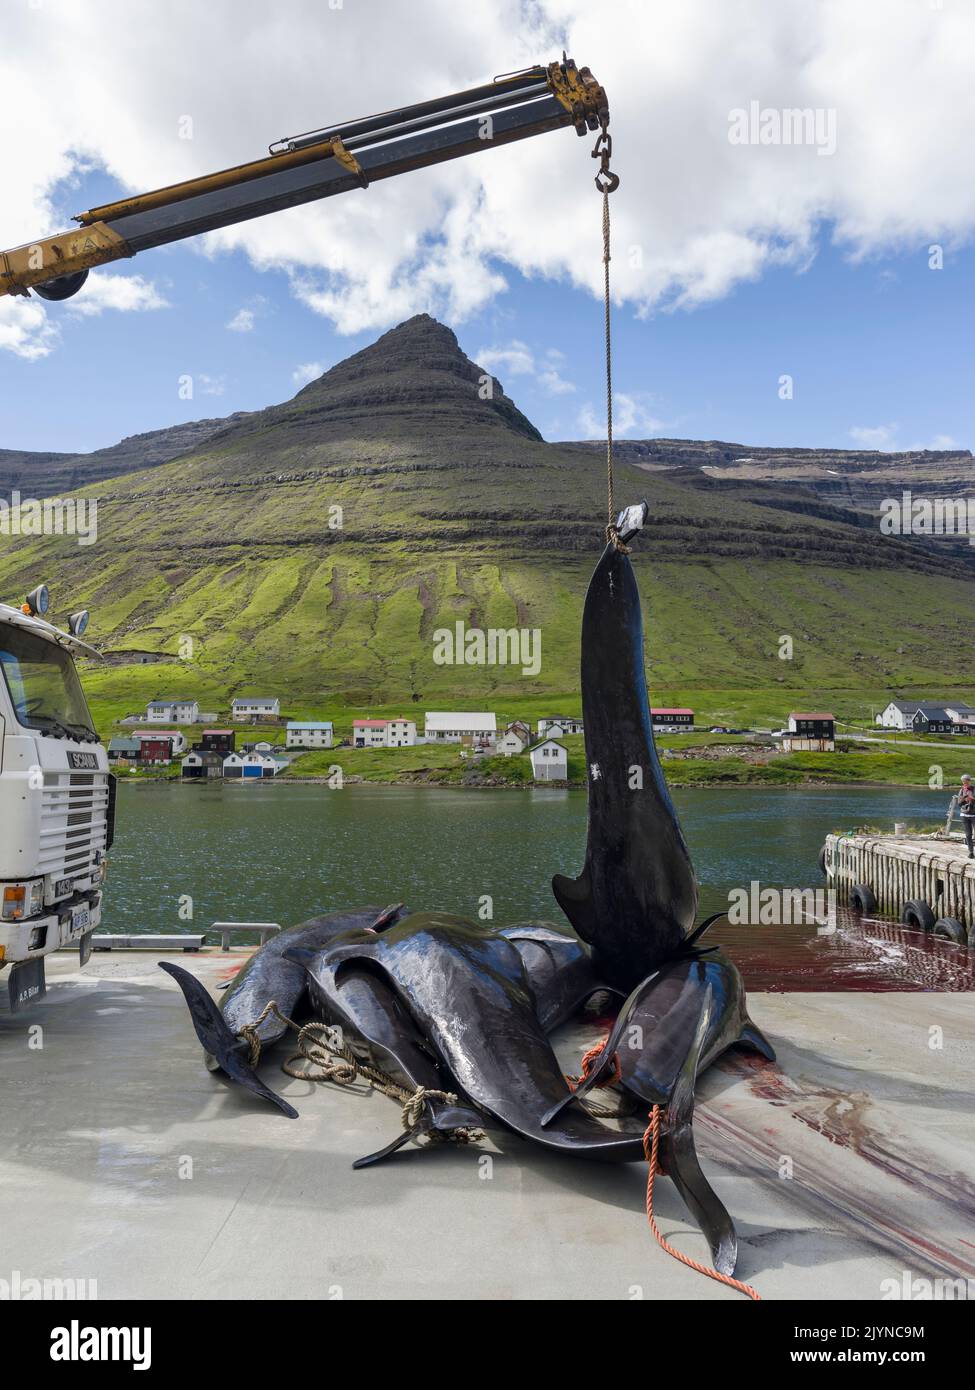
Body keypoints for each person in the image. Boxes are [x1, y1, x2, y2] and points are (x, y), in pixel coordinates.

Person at [959, 775, 975, 858]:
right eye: (963, 782)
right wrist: (964, 798)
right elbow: (959, 804)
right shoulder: (962, 790)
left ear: (969, 781)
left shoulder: (974, 789)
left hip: (974, 814)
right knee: (968, 835)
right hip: (964, 814)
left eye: (966, 781)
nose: (964, 783)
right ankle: (971, 852)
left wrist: (972, 798)